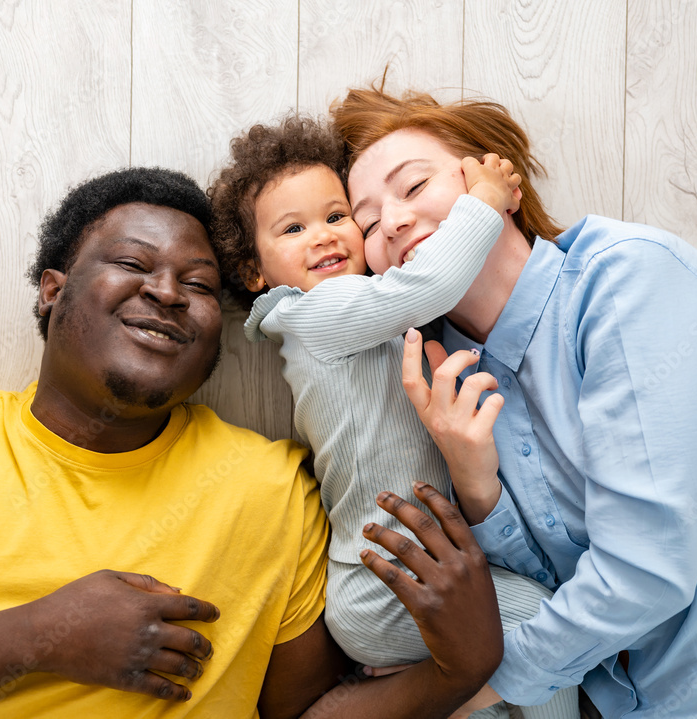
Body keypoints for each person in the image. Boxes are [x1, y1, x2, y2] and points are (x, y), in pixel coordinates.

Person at [331, 87, 697, 718]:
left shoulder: (629, 278)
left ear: (502, 188)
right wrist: (476, 481)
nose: (393, 222)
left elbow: (647, 568)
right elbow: (550, 588)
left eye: (414, 186)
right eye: (368, 224)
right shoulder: (447, 378)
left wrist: (457, 691)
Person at [0, 166, 505, 718]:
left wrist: (462, 670)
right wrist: (38, 636)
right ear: (53, 290)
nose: (167, 292)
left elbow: (310, 712)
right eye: (132, 264)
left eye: (198, 285)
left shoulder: (276, 491)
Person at [206, 115, 579, 719]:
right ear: (255, 272)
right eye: (293, 228)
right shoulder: (310, 315)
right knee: (543, 620)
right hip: (382, 586)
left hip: (419, 573)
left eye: (337, 217)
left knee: (506, 680)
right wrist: (483, 202)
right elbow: (426, 286)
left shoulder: (367, 312)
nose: (323, 237)